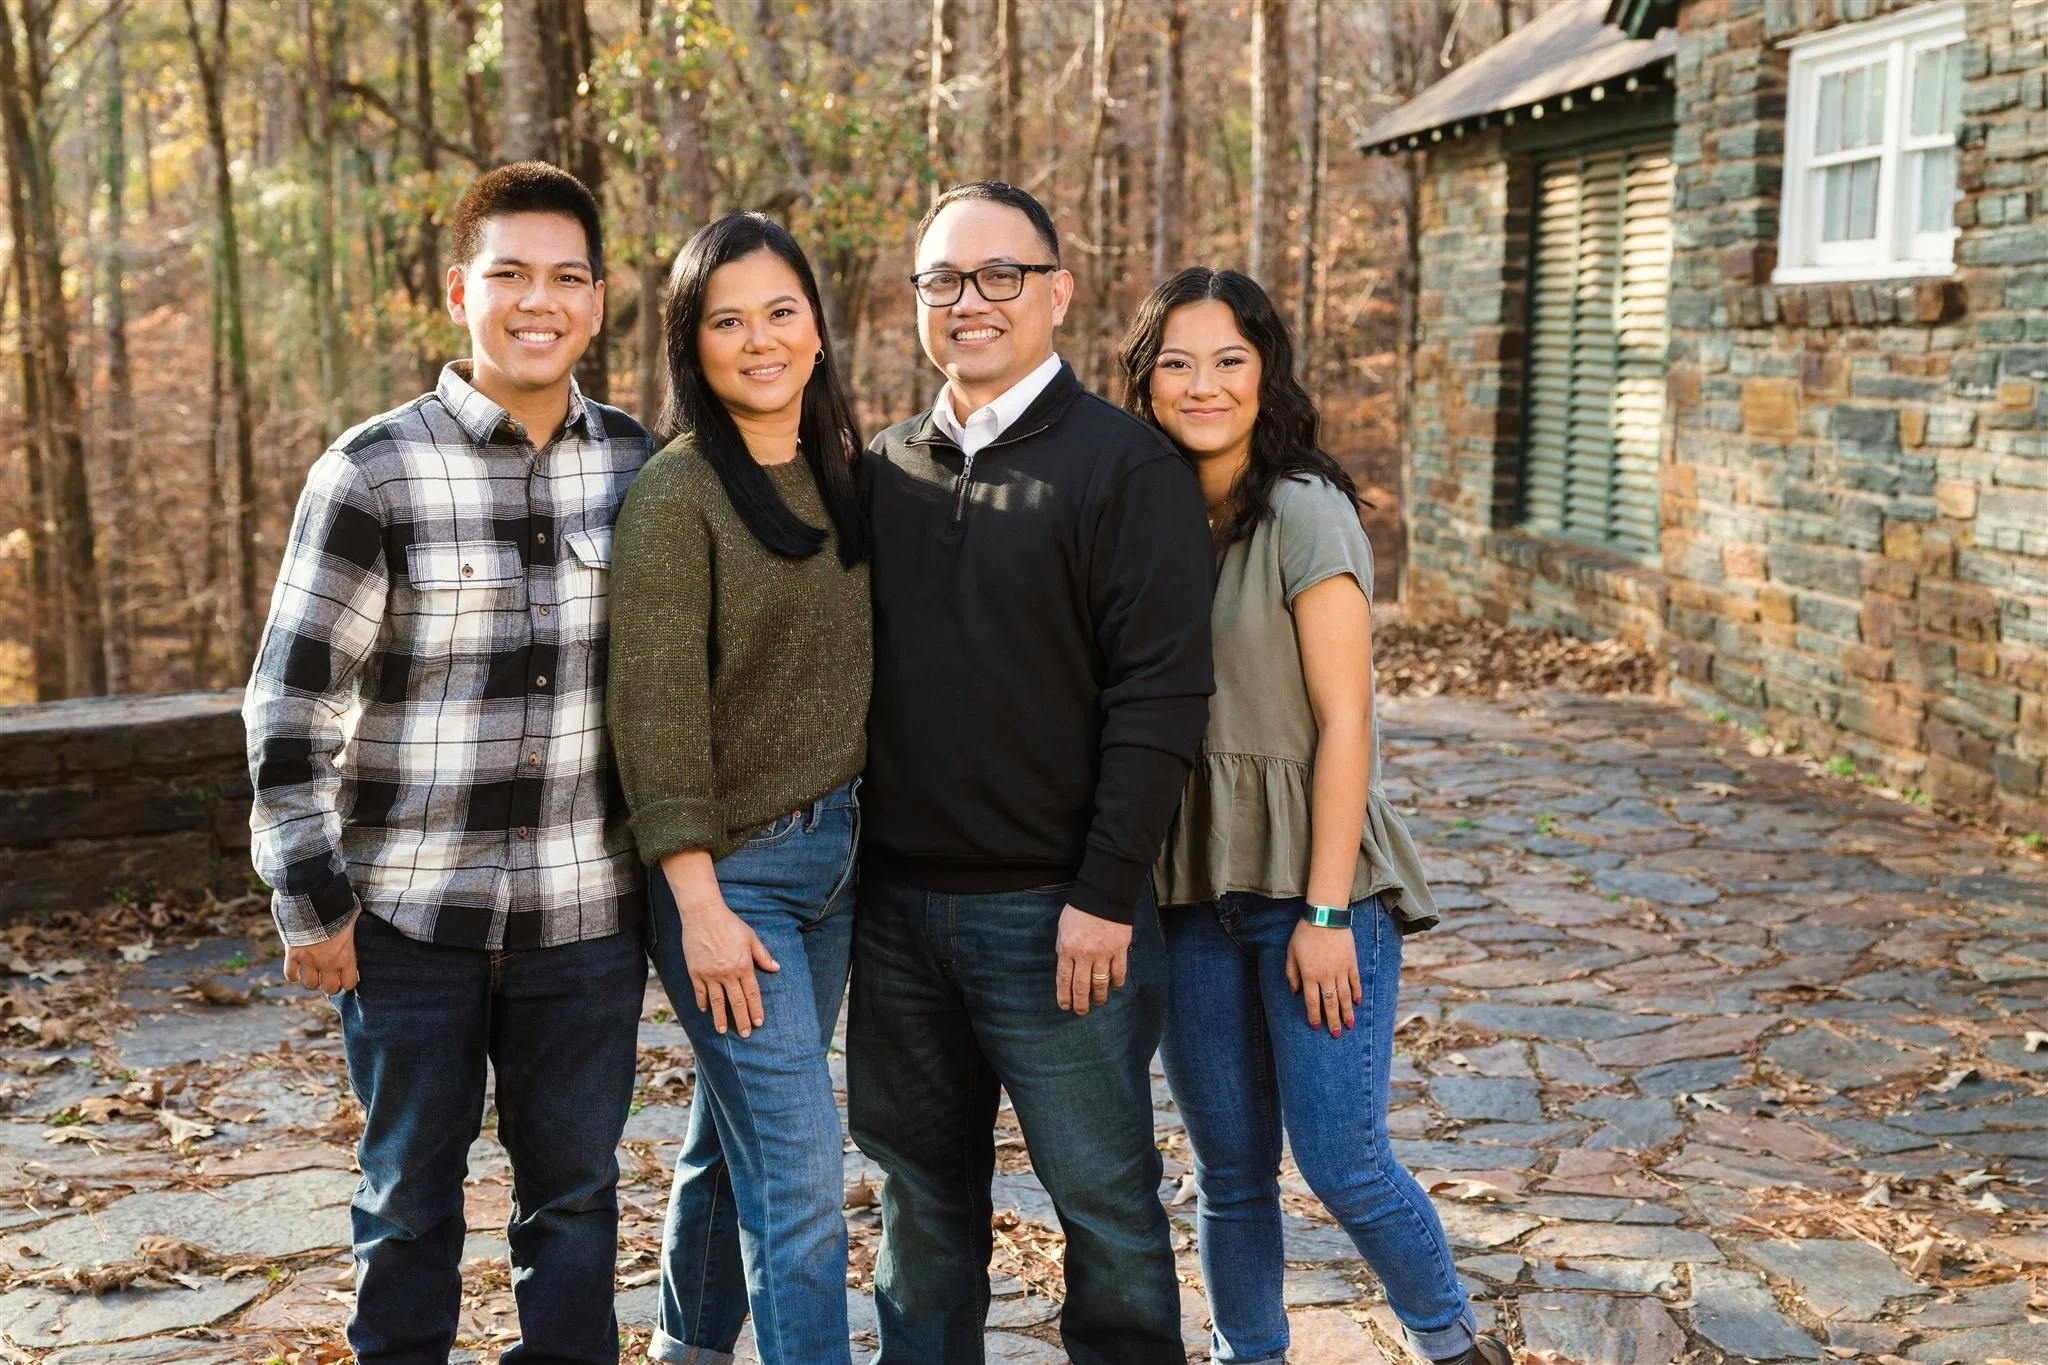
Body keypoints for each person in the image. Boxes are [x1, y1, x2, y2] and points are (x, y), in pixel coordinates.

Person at [244, 162, 652, 1364]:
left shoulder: (640, 467)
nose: (540, 301)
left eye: (567, 277)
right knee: (407, 1203)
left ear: (597, 298)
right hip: (409, 922)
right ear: (458, 291)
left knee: (574, 1203)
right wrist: (309, 901)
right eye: (510, 274)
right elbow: (290, 707)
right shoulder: (372, 471)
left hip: (584, 922)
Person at [848, 181, 1215, 1365]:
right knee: (918, 1206)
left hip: (1059, 917)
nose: (971, 302)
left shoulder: (1123, 468)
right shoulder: (880, 473)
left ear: (1055, 291)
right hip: (896, 917)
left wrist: (1105, 892)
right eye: (943, 281)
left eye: (1000, 275)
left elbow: (1159, 697)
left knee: (1105, 1210)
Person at [1119, 267, 1510, 1365]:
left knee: (1339, 1160)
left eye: (1228, 361)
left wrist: (1328, 915)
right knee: (1229, 1171)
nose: (1202, 385)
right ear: (1144, 379)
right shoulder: (1143, 518)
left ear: (1264, 374)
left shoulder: (1302, 509)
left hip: (1311, 885)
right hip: (1190, 891)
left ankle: (1452, 1346)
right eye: (1177, 362)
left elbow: (1345, 725)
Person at [607, 211, 869, 1365]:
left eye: (780, 311)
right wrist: (699, 905)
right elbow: (653, 718)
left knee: (737, 1139)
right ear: (689, 343)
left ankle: (686, 1346)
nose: (758, 340)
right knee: (805, 1176)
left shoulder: (845, 477)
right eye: (727, 320)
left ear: (816, 328)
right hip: (733, 885)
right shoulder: (676, 497)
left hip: (841, 865)